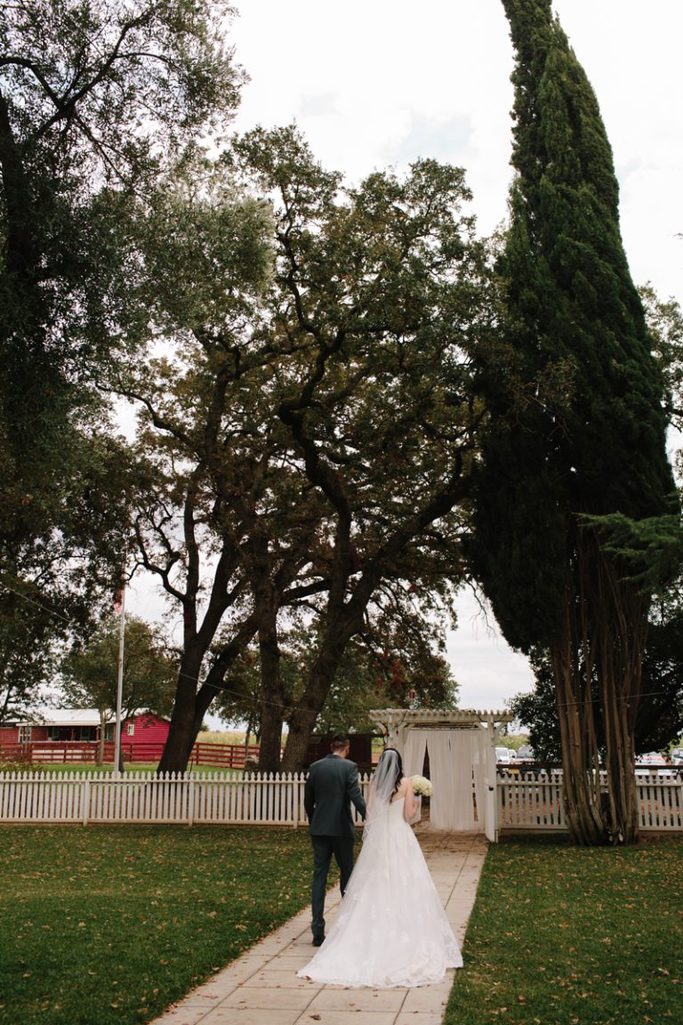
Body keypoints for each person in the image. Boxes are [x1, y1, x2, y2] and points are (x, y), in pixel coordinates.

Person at [298, 747, 463, 988]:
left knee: (375, 882)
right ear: (399, 765)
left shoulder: (375, 784)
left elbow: (371, 812)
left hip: (380, 838)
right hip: (400, 836)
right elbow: (408, 816)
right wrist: (416, 801)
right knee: (405, 882)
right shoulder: (406, 783)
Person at [303, 733, 367, 946]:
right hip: (341, 829)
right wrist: (370, 817)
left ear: (331, 747)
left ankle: (317, 930)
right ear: (346, 748)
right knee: (347, 874)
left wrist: (315, 821)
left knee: (319, 877)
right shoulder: (349, 767)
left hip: (319, 829)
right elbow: (356, 797)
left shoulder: (315, 767)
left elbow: (308, 801)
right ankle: (347, 927)